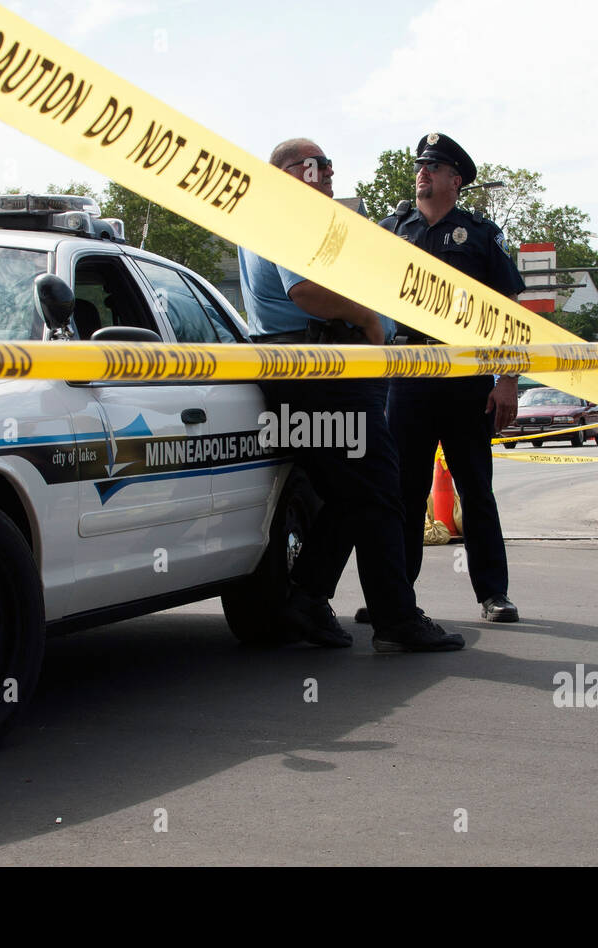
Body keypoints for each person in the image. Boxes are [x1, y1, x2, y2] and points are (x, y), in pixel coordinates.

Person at [238, 137, 463, 652]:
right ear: (290, 172)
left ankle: (308, 600)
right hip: (325, 375)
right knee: (380, 485)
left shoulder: (270, 214)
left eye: (331, 166)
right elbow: (306, 292)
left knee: (350, 493)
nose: (329, 175)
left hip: (311, 374)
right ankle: (395, 619)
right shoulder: (292, 214)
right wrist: (365, 317)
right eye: (317, 166)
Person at [378, 133, 524, 624]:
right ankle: (396, 598)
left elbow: (509, 311)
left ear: (455, 181)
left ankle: (493, 594)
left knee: (476, 490)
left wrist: (507, 380)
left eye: (434, 166)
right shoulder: (393, 231)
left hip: (466, 380)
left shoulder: (481, 235)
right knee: (404, 492)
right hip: (408, 378)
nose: (423, 172)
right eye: (421, 165)